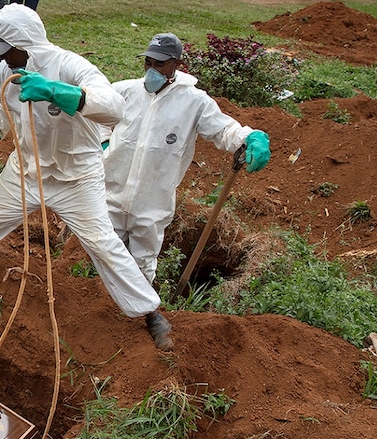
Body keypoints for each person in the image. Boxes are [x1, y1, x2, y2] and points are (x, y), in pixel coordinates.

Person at [0, 4, 174, 351]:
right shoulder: (5, 69)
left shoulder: (70, 66)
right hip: (26, 170)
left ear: (26, 44)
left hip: (76, 176)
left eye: (8, 48)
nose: (4, 58)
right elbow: (1, 106)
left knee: (103, 244)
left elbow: (114, 106)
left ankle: (150, 312)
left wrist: (58, 92)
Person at [101, 34, 270, 286]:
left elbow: (223, 130)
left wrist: (248, 137)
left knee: (142, 266)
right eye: (148, 63)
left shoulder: (194, 102)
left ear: (176, 64)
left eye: (159, 64)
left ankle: (136, 315)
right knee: (103, 258)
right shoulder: (125, 91)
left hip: (151, 202)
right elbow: (96, 115)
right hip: (111, 195)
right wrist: (103, 144)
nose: (152, 70)